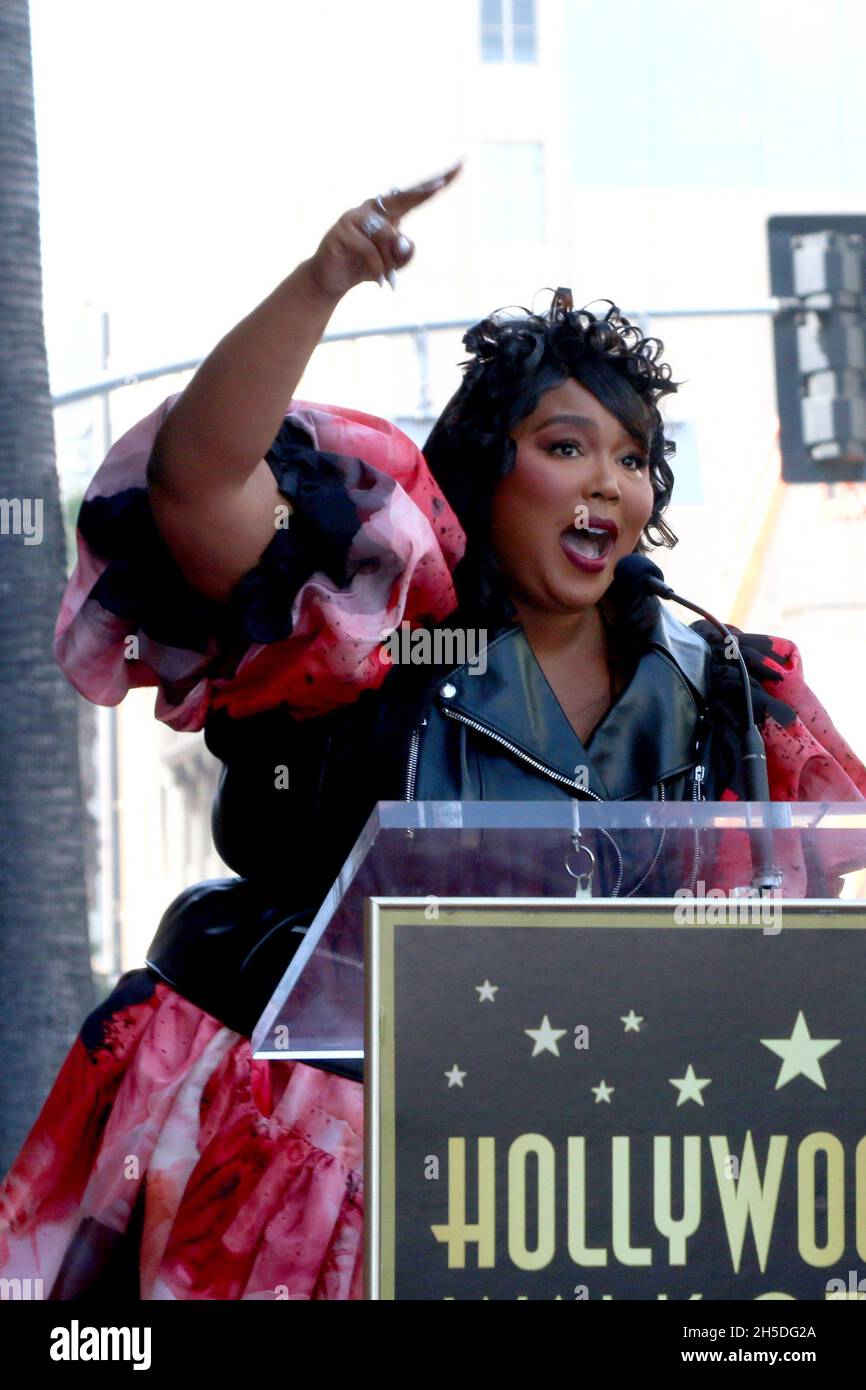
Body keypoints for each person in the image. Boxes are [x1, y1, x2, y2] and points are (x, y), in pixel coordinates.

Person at [2, 161, 865, 1302]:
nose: (607, 480)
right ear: (486, 469)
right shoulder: (374, 619)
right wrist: (322, 280)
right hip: (308, 1164)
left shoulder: (721, 684)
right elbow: (198, 485)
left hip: (566, 1180)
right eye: (565, 446)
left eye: (633, 455)